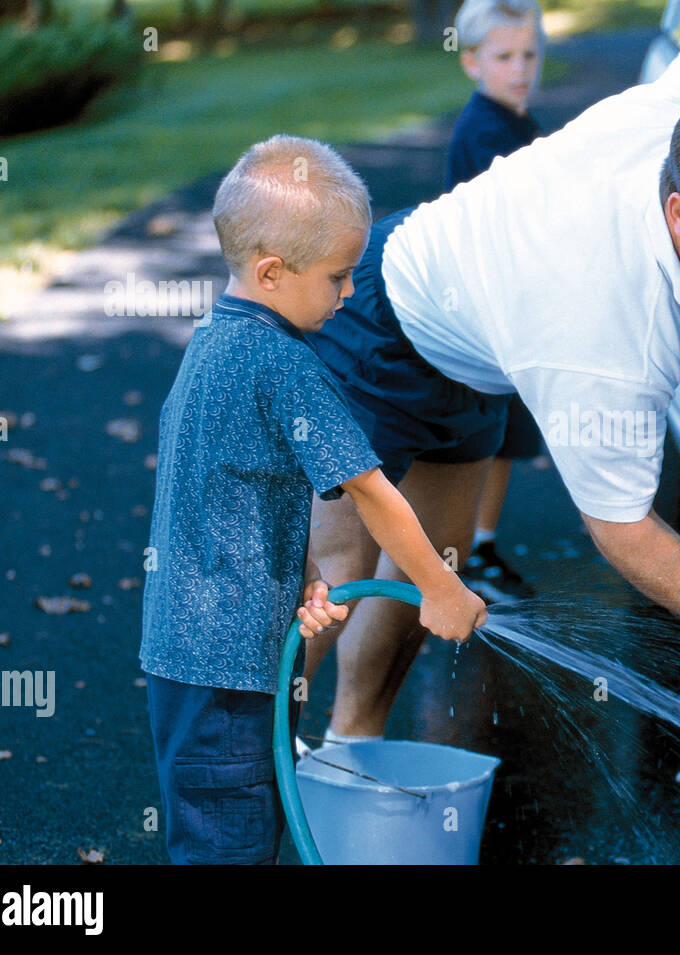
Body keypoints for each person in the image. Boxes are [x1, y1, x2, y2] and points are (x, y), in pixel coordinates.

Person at [300, 13, 680, 746]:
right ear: (679, 213)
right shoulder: (609, 333)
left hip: (476, 353)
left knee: (430, 564)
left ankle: (348, 745)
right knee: (336, 568)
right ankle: (238, 756)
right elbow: (622, 529)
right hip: (379, 323)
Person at [139, 134, 487, 864]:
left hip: (180, 659)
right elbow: (372, 490)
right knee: (233, 843)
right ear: (272, 272)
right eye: (338, 277)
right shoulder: (288, 365)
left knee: (210, 834)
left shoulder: (209, 342)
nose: (351, 294)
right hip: (236, 676)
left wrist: (297, 578)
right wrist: (440, 585)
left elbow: (217, 488)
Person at [444, 0, 547, 602]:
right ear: (472, 63)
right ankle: (460, 553)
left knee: (504, 434)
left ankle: (480, 544)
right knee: (483, 436)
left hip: (509, 305)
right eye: (505, 56)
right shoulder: (486, 132)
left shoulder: (516, 123)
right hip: (483, 308)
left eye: (530, 54)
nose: (521, 67)